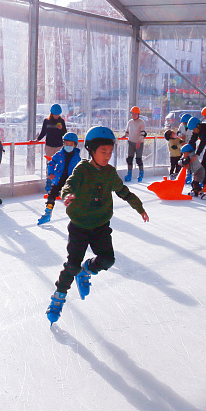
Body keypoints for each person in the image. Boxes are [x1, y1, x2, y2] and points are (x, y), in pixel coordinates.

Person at [45, 126, 149, 324]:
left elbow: (123, 191)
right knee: (72, 265)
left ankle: (87, 270)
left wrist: (139, 207)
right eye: (103, 152)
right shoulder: (83, 169)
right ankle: (58, 296)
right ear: (91, 150)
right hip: (80, 225)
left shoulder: (109, 173)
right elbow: (70, 184)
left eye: (110, 152)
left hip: (100, 225)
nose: (107, 156)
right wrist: (67, 195)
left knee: (107, 260)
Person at [37, 132, 81, 225]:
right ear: (63, 144)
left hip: (70, 182)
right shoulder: (59, 154)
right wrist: (51, 172)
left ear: (75, 145)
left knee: (72, 199)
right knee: (51, 196)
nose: (68, 146)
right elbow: (51, 163)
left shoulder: (77, 158)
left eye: (70, 144)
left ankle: (77, 216)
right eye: (66, 144)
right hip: (58, 180)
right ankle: (47, 213)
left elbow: (80, 169)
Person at [122, 106, 147, 182]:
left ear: (138, 114)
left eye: (135, 114)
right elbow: (127, 131)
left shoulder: (141, 122)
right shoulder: (130, 122)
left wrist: (139, 141)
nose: (134, 115)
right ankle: (129, 174)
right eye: (132, 114)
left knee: (138, 159)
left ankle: (141, 174)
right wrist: (125, 135)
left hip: (139, 143)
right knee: (129, 159)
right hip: (131, 142)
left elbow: (143, 133)